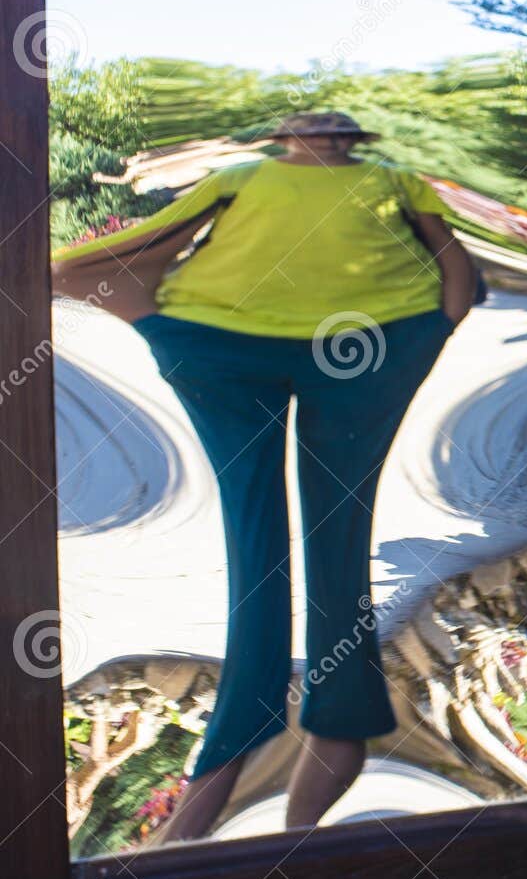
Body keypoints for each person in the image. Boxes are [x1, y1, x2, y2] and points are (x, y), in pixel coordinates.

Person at [51, 112, 479, 839]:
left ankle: (269, 805)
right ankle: (252, 788)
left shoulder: (365, 179)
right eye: (316, 134)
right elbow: (150, 244)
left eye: (333, 135)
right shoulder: (253, 177)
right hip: (267, 348)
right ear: (296, 139)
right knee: (297, 542)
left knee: (308, 541)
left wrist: (437, 321)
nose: (323, 144)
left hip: (336, 347)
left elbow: (452, 261)